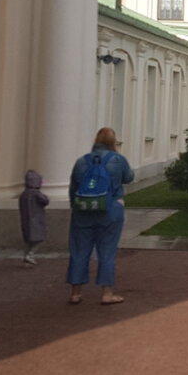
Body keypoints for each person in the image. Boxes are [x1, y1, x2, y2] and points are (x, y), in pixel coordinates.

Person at [67, 128, 134, 304]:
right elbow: (129, 177)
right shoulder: (118, 160)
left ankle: (75, 292)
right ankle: (107, 293)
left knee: (79, 251)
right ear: (113, 141)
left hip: (83, 210)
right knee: (107, 251)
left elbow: (73, 187)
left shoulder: (81, 161)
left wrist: (75, 206)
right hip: (110, 210)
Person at [17, 169, 49, 266]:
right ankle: (30, 255)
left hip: (26, 220)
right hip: (36, 219)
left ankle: (26, 257)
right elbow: (45, 201)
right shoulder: (36, 193)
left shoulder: (24, 194)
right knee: (38, 239)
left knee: (28, 241)